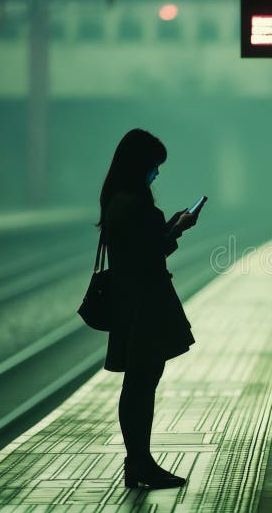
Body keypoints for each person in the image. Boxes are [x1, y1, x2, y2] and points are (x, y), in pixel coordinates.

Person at [96, 128, 200, 489]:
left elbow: (141, 245)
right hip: (143, 303)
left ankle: (139, 460)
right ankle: (139, 462)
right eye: (153, 166)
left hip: (133, 301)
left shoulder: (117, 199)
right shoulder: (131, 203)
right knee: (141, 382)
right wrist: (178, 230)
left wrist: (168, 227)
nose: (156, 174)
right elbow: (147, 253)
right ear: (139, 164)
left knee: (140, 381)